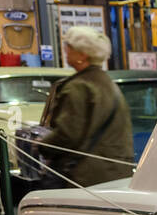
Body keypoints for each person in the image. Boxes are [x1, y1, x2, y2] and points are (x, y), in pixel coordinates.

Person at [38, 27, 133, 188]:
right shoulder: (108, 84)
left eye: (69, 48)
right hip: (116, 174)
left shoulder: (78, 86)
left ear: (82, 55)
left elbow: (68, 135)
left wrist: (42, 145)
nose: (66, 51)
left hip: (85, 178)